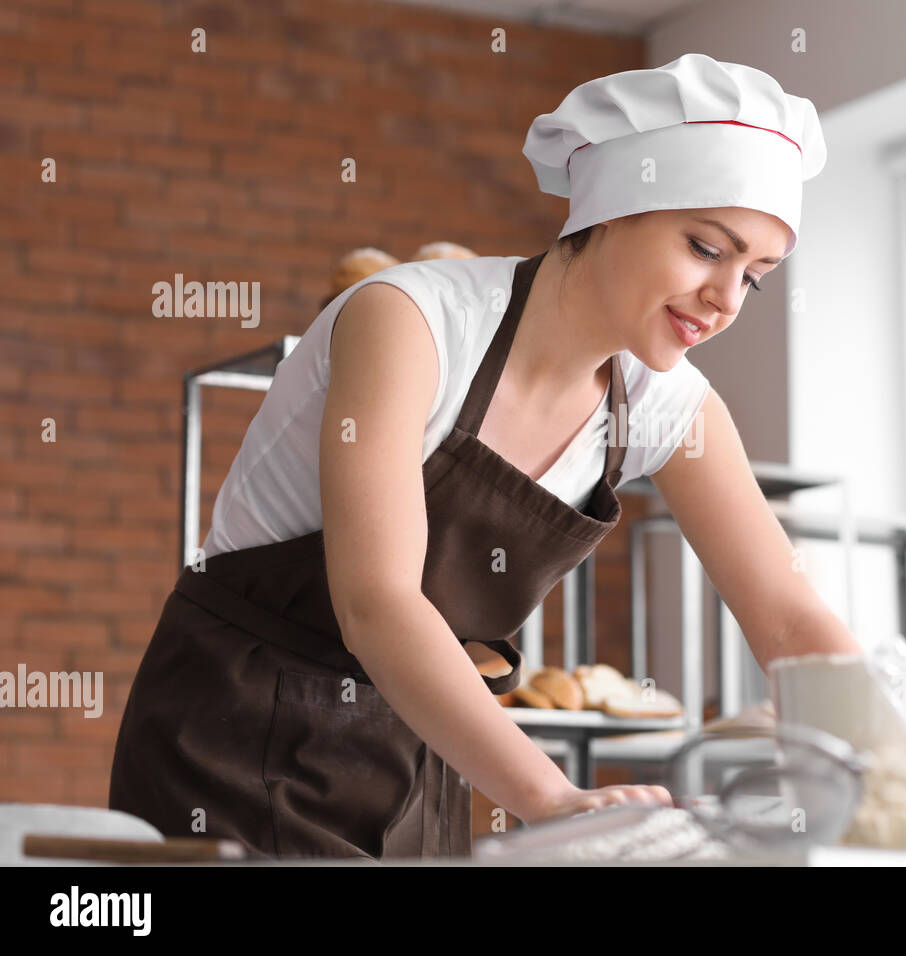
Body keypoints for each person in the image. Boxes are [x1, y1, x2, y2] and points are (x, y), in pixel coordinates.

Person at [108, 52, 857, 861]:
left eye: (756, 277)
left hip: (423, 751)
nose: (726, 298)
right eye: (708, 248)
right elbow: (378, 603)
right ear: (608, 208)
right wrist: (552, 796)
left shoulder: (668, 403)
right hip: (234, 736)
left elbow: (787, 614)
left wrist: (902, 779)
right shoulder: (410, 320)